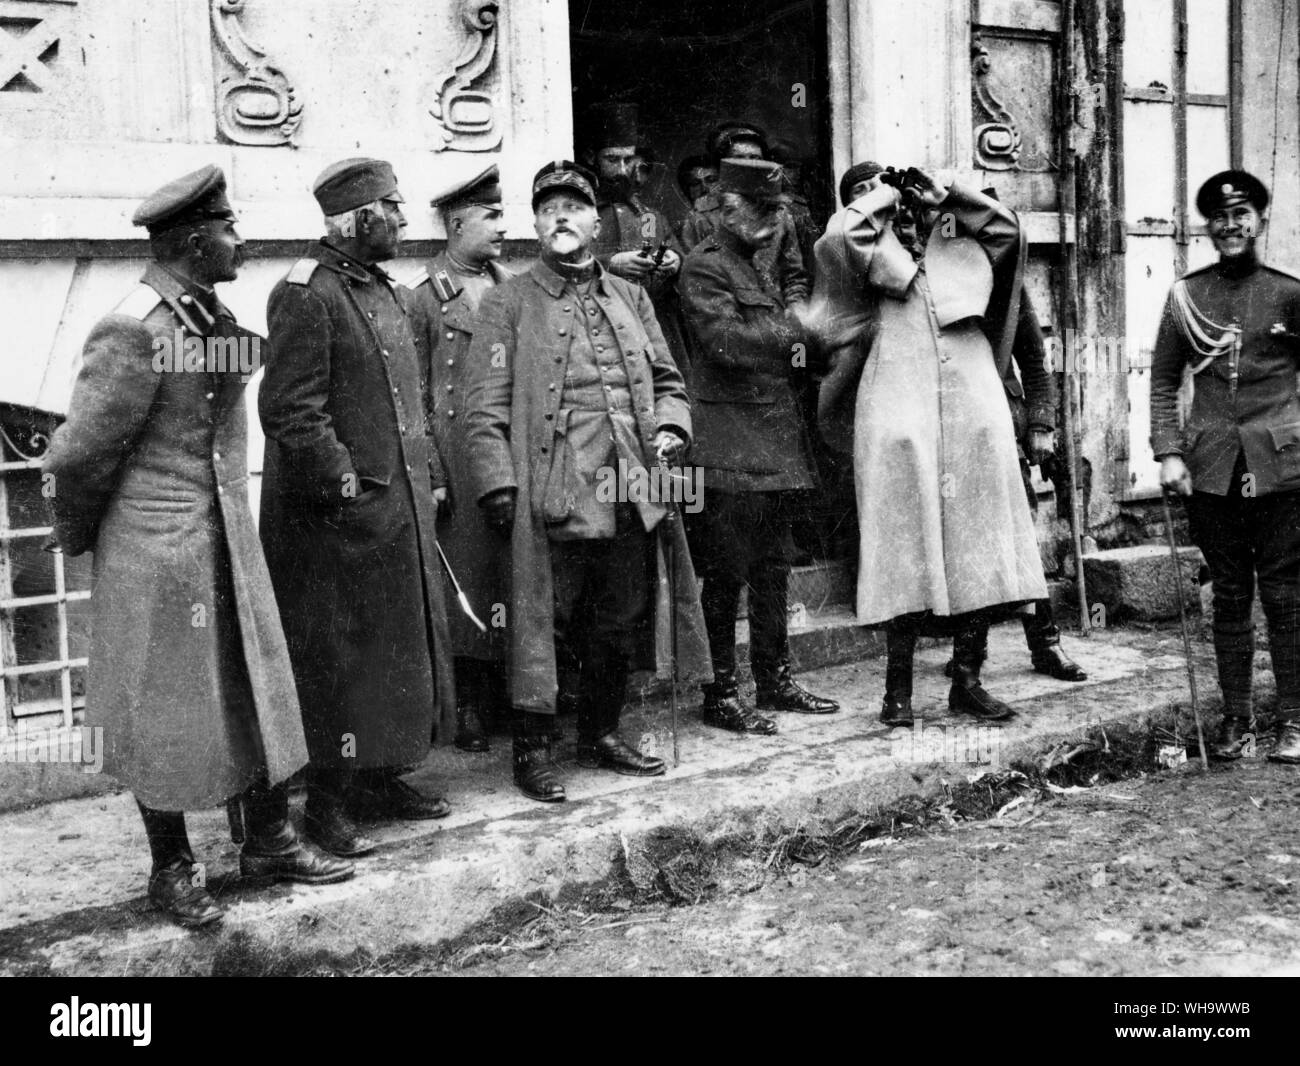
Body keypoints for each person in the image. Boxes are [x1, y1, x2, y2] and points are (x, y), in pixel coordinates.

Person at [43, 165, 352, 928]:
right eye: (229, 229)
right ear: (193, 239)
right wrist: (88, 539)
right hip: (157, 551)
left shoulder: (204, 317)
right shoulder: (135, 328)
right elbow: (77, 457)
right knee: (162, 708)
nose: (240, 240)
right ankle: (172, 868)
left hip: (222, 538)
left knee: (251, 685)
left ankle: (270, 840)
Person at [464, 161, 710, 802]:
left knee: (620, 617)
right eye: (549, 210)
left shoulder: (631, 297)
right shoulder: (507, 301)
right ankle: (533, 749)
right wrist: (498, 487)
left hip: (631, 489)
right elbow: (482, 407)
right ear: (537, 225)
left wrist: (673, 430)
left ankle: (600, 733)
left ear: (596, 223)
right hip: (553, 494)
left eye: (573, 208)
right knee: (547, 620)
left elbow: (667, 382)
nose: (561, 218)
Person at [259, 158, 456, 859]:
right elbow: (290, 413)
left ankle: (377, 778)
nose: (404, 221)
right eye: (394, 209)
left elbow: (410, 403)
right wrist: (344, 489)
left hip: (394, 510)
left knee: (392, 651)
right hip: (334, 523)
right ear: (360, 217)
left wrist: (423, 478)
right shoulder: (306, 295)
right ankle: (327, 807)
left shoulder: (386, 292)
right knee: (337, 659)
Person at [805, 166, 1047, 727]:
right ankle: (898, 693)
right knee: (901, 547)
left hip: (973, 401)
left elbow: (1009, 232)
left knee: (980, 543)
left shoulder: (960, 243)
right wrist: (881, 194)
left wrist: (951, 197)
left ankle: (967, 680)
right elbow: (842, 235)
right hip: (898, 404)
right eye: (865, 196)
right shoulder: (862, 255)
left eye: (897, 196)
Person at [680, 157, 840, 734]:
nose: (775, 221)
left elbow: (780, 346)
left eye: (777, 210)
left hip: (776, 439)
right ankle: (720, 692)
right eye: (764, 209)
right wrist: (801, 330)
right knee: (726, 574)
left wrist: (810, 338)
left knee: (773, 568)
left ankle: (773, 680)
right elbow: (726, 343)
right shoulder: (706, 268)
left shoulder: (759, 264)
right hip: (728, 445)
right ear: (729, 208)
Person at [1151, 169, 1300, 763]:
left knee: (1287, 597)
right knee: (1231, 596)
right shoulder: (1187, 297)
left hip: (1283, 469)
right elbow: (1164, 379)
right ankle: (1236, 719)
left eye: (1241, 216)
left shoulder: (1289, 294)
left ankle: (1293, 722)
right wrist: (1167, 452)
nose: (1230, 226)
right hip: (1211, 468)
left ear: (1260, 221)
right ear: (1208, 227)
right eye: (1219, 218)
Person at [406, 164, 512, 752]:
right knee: (464, 579)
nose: (503, 226)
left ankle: (505, 695)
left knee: (509, 576)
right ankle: (467, 703)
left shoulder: (514, 288)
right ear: (456, 223)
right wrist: (433, 472)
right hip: (457, 457)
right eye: (491, 216)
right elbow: (414, 393)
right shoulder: (422, 299)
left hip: (509, 453)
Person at [585, 102, 694, 378]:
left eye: (628, 159)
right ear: (591, 158)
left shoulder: (648, 215)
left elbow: (675, 250)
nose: (622, 170)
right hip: (597, 334)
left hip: (655, 334)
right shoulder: (579, 214)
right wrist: (610, 264)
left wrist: (674, 261)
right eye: (612, 160)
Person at [679, 120, 809, 306]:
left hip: (778, 318)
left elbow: (794, 276)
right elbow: (695, 284)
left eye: (755, 159)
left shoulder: (780, 213)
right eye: (739, 159)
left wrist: (796, 309)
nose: (750, 167)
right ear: (722, 168)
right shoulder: (701, 217)